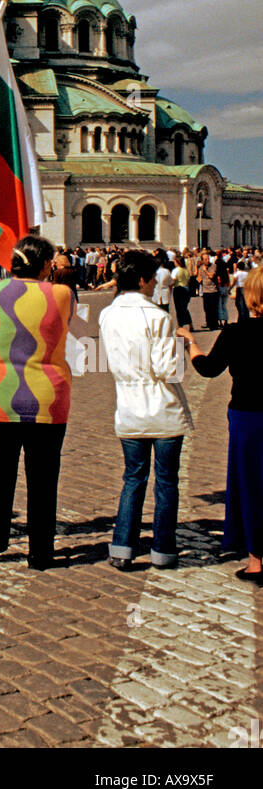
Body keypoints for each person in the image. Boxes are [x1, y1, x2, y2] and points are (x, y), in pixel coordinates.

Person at [0, 234, 73, 570]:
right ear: (46, 265)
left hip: (1, 397)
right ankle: (41, 551)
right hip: (48, 398)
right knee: (44, 478)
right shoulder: (62, 294)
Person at [99, 250, 188, 571]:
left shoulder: (107, 315)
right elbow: (169, 370)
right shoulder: (158, 317)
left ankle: (122, 545)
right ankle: (163, 549)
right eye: (152, 278)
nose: (155, 283)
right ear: (141, 279)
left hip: (129, 406)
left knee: (133, 478)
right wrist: (183, 346)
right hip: (162, 408)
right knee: (166, 482)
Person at [179, 265, 263, 583]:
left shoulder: (236, 333)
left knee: (250, 484)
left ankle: (256, 559)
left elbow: (208, 368)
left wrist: (191, 343)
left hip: (247, 418)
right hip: (248, 417)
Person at [171, 255, 191, 329]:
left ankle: (180, 324)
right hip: (186, 288)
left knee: (179, 308)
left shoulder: (175, 270)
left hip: (178, 289)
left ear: (177, 262)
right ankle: (190, 324)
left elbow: (173, 280)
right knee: (185, 308)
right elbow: (188, 281)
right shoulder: (186, 270)